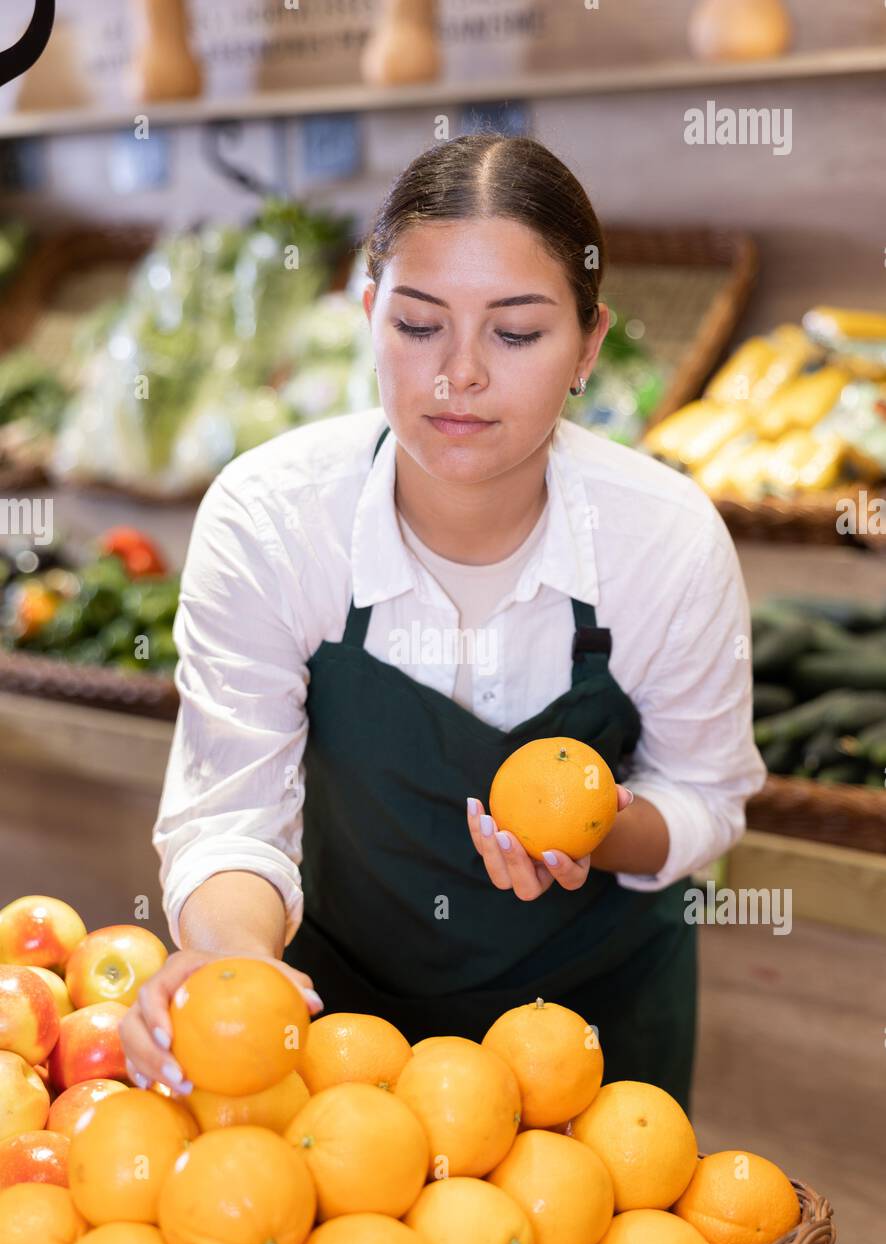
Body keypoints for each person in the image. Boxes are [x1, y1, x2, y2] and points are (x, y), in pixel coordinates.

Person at [119, 134, 767, 1118]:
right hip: (338, 1038)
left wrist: (601, 833)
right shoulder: (272, 518)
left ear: (588, 346)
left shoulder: (664, 540)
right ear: (369, 314)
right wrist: (239, 970)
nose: (458, 374)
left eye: (515, 335)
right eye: (418, 324)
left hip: (589, 1057)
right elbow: (229, 816)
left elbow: (705, 796)